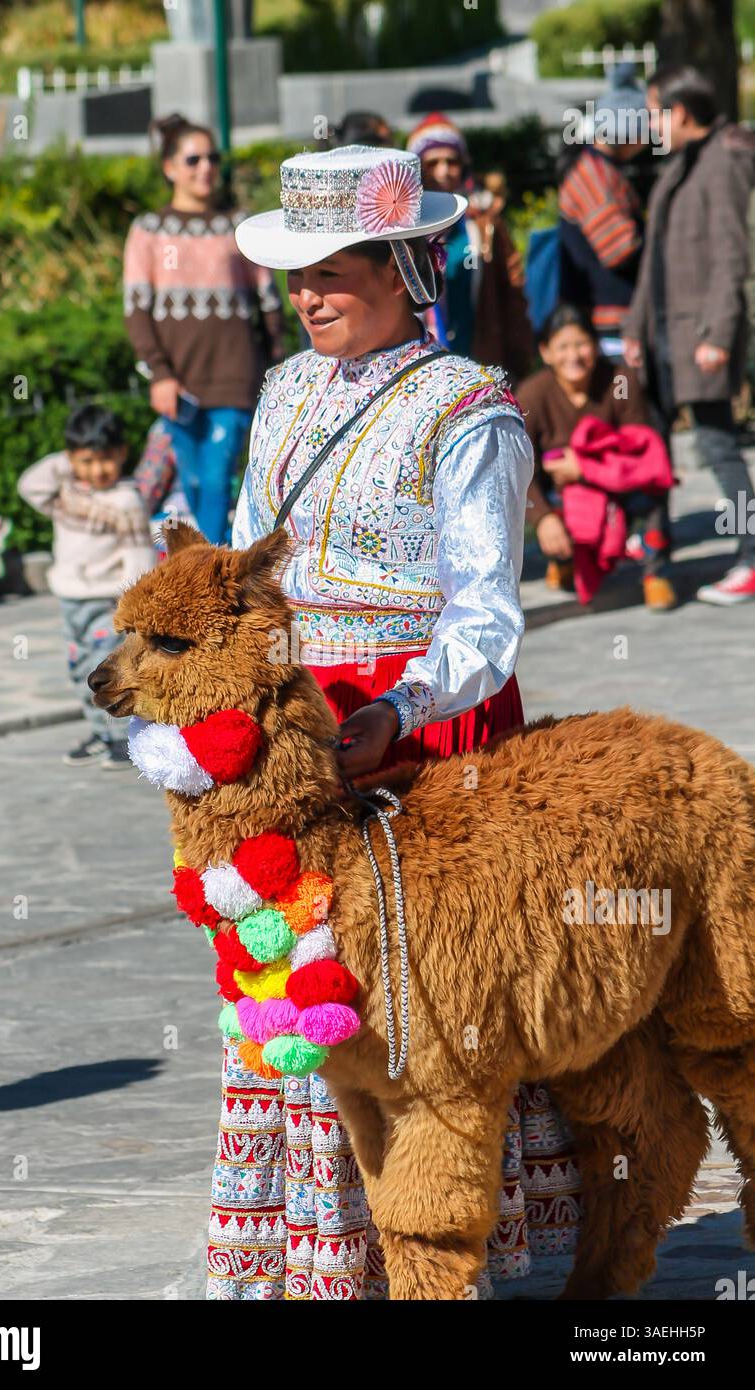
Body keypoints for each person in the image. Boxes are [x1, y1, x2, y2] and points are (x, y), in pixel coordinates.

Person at [202, 144, 581, 1300]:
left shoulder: (467, 412)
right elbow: (246, 564)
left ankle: (431, 1246)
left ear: (405, 266)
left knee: (421, 997)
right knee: (289, 973)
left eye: (332, 268)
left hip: (423, 730)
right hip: (299, 734)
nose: (307, 294)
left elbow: (483, 616)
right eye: (295, 273)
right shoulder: (279, 392)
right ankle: (312, 1246)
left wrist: (397, 706)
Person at [622, 65, 755, 606]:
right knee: (654, 445)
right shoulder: (682, 165)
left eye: (656, 113)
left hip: (699, 336)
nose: (652, 124)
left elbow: (731, 256)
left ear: (679, 112)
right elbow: (653, 258)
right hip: (661, 337)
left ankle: (751, 556)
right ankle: (656, 545)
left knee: (717, 445)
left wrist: (718, 333)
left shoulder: (722, 160)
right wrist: (635, 327)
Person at [123, 113, 285, 545]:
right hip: (178, 388)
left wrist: (279, 371)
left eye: (213, 158)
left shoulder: (240, 227)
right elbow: (136, 311)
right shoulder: (148, 231)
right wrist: (159, 375)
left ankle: (206, 581)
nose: (205, 168)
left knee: (216, 481)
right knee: (193, 486)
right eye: (193, 159)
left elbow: (270, 306)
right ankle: (203, 580)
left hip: (235, 380)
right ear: (169, 167)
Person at [17, 405, 156, 767]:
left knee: (106, 670)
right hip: (70, 599)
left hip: (105, 602)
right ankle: (99, 732)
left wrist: (133, 606)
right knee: (79, 668)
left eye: (106, 459)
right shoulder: (65, 492)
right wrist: (66, 463)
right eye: (86, 461)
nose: (97, 470)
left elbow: (139, 556)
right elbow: (28, 485)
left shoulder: (126, 501)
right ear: (71, 459)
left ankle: (122, 737)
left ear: (123, 453)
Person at [520, 304, 676, 608]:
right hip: (562, 495)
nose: (574, 356)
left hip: (618, 483)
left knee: (655, 493)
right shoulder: (532, 394)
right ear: (546, 352)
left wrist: (585, 468)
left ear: (595, 346)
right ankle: (563, 559)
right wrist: (542, 520)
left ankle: (657, 572)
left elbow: (642, 449)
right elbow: (520, 470)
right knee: (547, 515)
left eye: (581, 344)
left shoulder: (620, 380)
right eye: (562, 347)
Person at [406, 112, 533, 382]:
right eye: (433, 162)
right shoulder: (403, 229)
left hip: (479, 360)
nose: (443, 171)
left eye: (451, 161)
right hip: (422, 368)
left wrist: (519, 360)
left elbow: (513, 292)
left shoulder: (483, 225)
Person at [558, 64, 647, 358]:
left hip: (618, 317)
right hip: (612, 323)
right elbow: (620, 250)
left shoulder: (601, 169)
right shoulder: (593, 176)